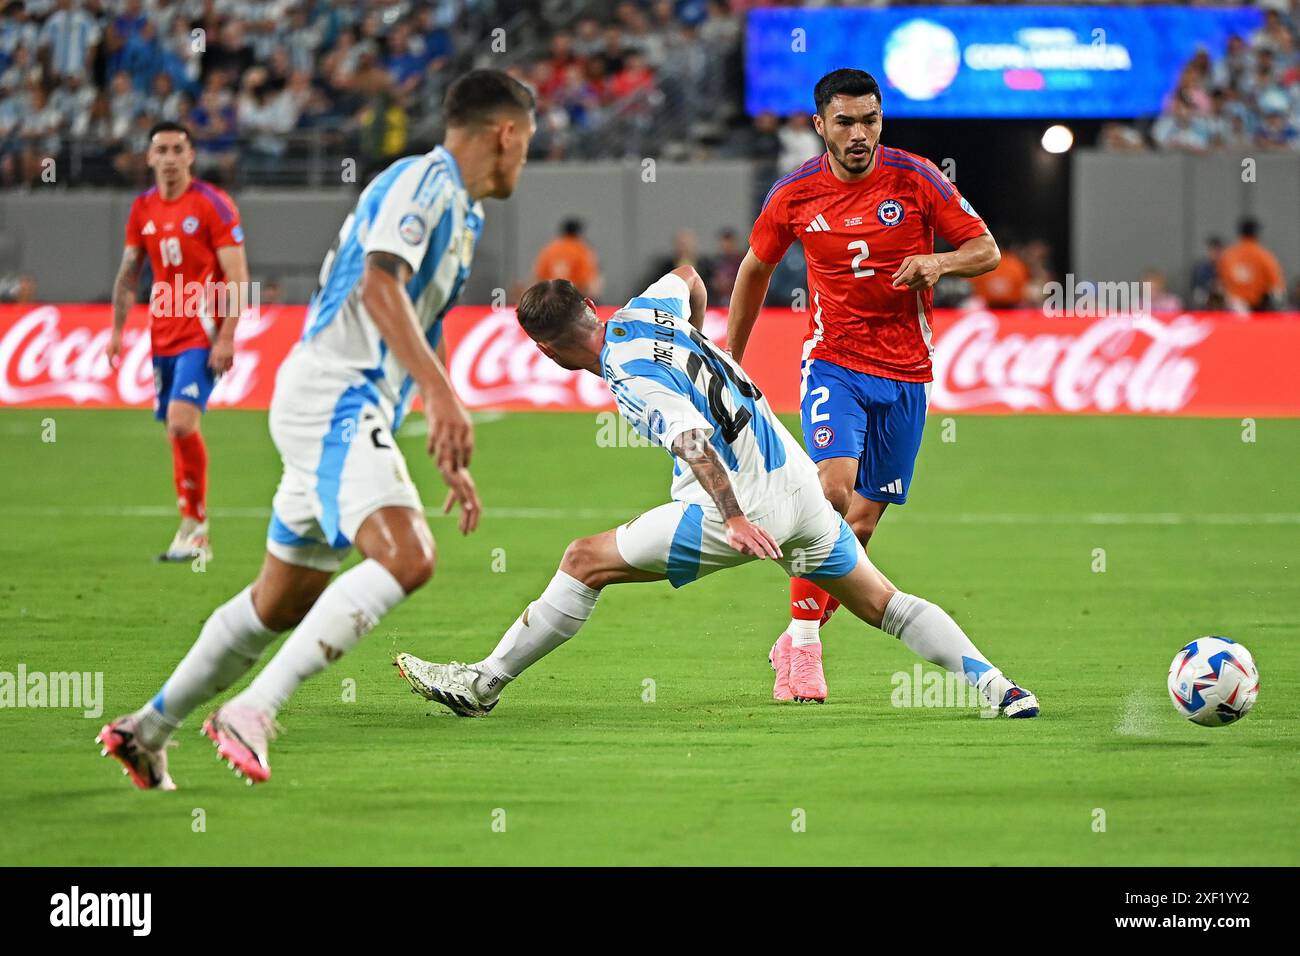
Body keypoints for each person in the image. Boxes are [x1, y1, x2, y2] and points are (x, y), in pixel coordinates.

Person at [97, 70, 536, 790]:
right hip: (335, 394)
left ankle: (146, 729)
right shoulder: (422, 184)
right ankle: (254, 709)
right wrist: (437, 393)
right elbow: (377, 285)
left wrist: (440, 418)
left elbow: (418, 322)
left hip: (348, 406)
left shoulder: (465, 213)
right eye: (528, 144)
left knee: (279, 601)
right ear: (506, 133)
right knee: (409, 555)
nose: (525, 160)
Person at [394, 272, 1038, 722]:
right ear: (593, 304)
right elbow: (689, 276)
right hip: (800, 486)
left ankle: (482, 686)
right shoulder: (649, 311)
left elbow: (694, 441)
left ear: (548, 351)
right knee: (885, 604)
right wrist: (707, 344)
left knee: (583, 560)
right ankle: (999, 688)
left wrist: (731, 517)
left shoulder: (627, 376)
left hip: (740, 506)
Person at [726, 69, 1000, 703]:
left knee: (861, 526)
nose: (859, 134)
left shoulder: (918, 179)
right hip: (833, 362)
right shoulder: (793, 195)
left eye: (869, 120)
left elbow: (987, 250)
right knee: (830, 490)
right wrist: (731, 362)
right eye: (845, 122)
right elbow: (754, 270)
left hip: (906, 373)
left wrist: (941, 260)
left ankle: (797, 632)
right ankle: (805, 650)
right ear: (820, 126)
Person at [108, 121, 250, 563]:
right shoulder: (143, 208)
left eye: (177, 149)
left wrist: (227, 335)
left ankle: (197, 527)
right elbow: (130, 273)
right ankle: (189, 528)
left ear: (190, 156)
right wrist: (116, 330)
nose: (169, 158)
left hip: (201, 331)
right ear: (149, 158)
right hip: (161, 332)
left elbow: (239, 276)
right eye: (161, 150)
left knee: (181, 423)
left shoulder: (213, 204)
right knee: (176, 431)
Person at [1218, 218, 1286, 311]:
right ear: (1256, 233)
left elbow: (1222, 282)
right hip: (1258, 308)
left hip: (1234, 306)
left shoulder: (1229, 254)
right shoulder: (1263, 255)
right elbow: (1276, 286)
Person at [533, 217, 602, 297]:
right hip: (574, 298)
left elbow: (537, 276)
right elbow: (590, 280)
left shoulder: (550, 248)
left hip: (550, 298)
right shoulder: (582, 249)